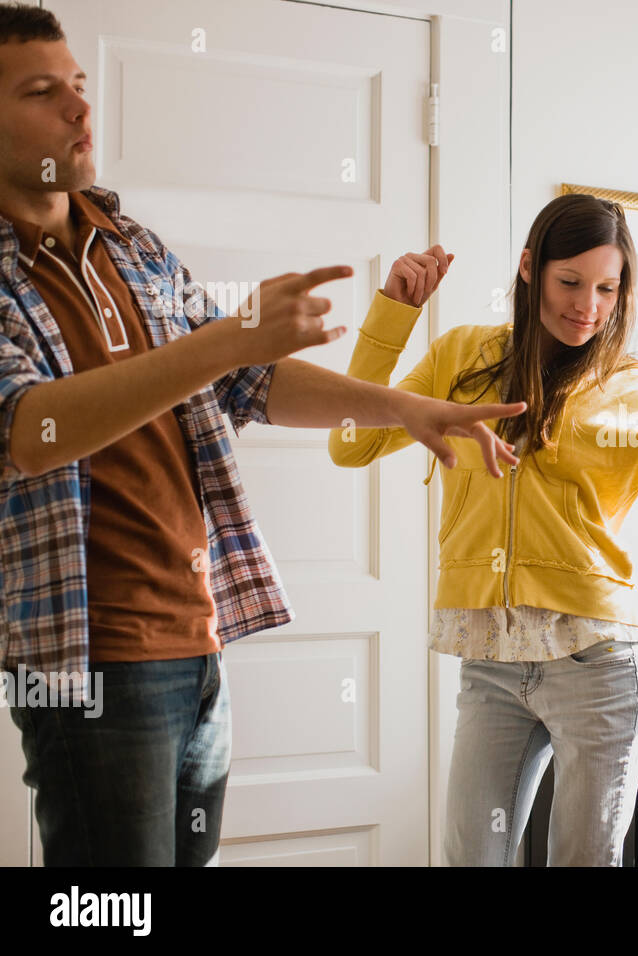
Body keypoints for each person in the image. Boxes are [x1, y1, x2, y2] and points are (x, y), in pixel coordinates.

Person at [0, 3, 524, 866]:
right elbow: (30, 431)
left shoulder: (128, 243)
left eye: (82, 85)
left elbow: (249, 379)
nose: (79, 110)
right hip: (89, 659)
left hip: (197, 639)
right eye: (43, 91)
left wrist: (404, 408)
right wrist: (227, 338)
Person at [329, 193, 638, 865]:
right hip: (493, 661)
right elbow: (350, 443)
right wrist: (394, 315)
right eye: (570, 282)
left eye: (606, 288)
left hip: (598, 665)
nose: (587, 305)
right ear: (530, 267)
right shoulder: (462, 359)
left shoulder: (635, 388)